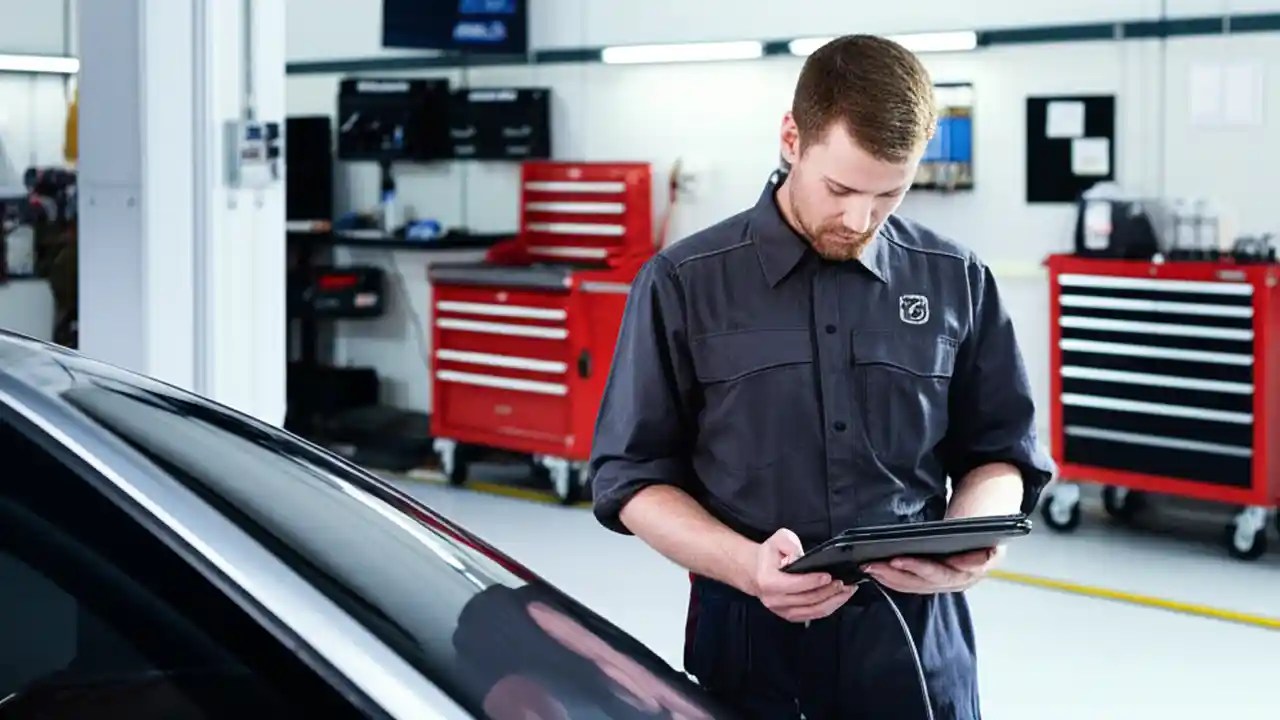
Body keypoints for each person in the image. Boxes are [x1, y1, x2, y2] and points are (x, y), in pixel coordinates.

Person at [588, 34, 1057, 720]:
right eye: (839, 188)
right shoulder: (684, 283)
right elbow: (630, 479)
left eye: (889, 194)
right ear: (790, 138)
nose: (859, 219)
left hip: (919, 652)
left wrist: (973, 541)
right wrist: (747, 565)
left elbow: (1000, 454)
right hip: (750, 649)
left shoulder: (957, 278)